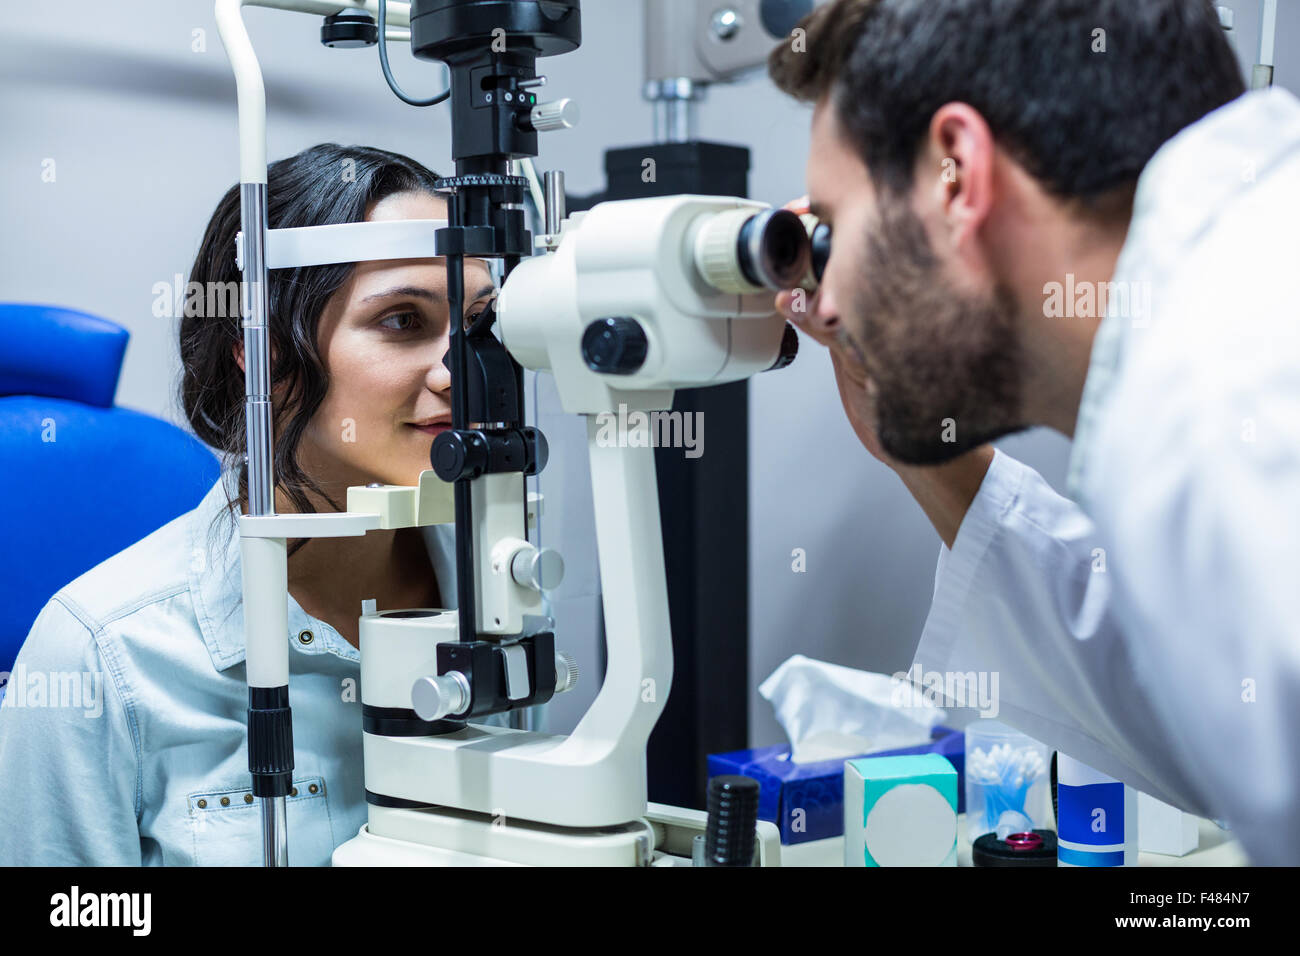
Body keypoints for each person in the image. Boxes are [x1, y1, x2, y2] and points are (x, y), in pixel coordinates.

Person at [769, 0, 1300, 864]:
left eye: (837, 226)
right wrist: (921, 444)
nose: (826, 302)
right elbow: (1185, 694)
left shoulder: (1227, 389)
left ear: (957, 173)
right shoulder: (1225, 319)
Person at [0, 144, 497, 865]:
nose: (463, 372)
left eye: (479, 325)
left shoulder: (500, 595)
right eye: (401, 321)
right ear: (259, 349)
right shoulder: (105, 656)